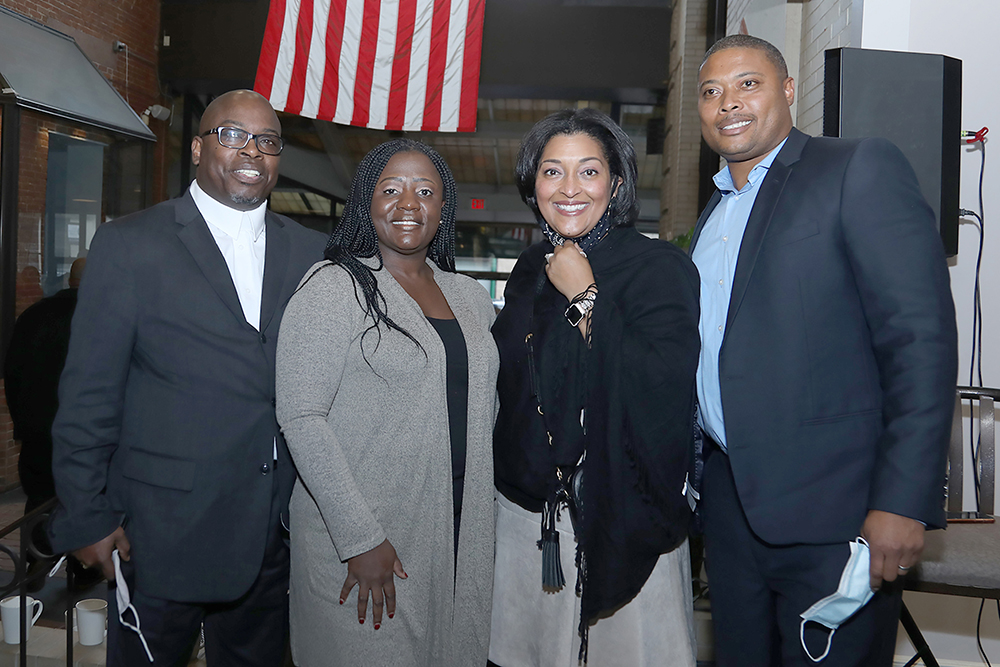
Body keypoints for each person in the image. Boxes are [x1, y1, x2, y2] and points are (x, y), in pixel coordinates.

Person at [690, 35, 958, 666]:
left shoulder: (856, 167)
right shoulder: (712, 215)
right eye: (711, 91)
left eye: (748, 84)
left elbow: (918, 341)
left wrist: (902, 500)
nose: (728, 103)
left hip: (839, 515)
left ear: (787, 91)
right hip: (730, 513)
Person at [47, 89, 325, 666]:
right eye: (232, 135)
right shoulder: (129, 243)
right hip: (157, 536)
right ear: (198, 148)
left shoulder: (312, 254)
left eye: (267, 141)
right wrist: (86, 515)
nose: (252, 150)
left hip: (272, 536)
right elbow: (89, 393)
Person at [275, 139, 499, 667]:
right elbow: (301, 416)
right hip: (367, 540)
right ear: (365, 201)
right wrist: (359, 537)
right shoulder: (336, 287)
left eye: (426, 191)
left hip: (457, 528)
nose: (408, 204)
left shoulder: (469, 297)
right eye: (391, 189)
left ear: (444, 209)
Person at [489, 108, 700, 666]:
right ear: (533, 185)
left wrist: (586, 297)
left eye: (588, 171)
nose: (569, 188)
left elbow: (663, 386)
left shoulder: (657, 267)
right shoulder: (529, 267)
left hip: (621, 515)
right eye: (552, 172)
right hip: (525, 521)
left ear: (618, 182)